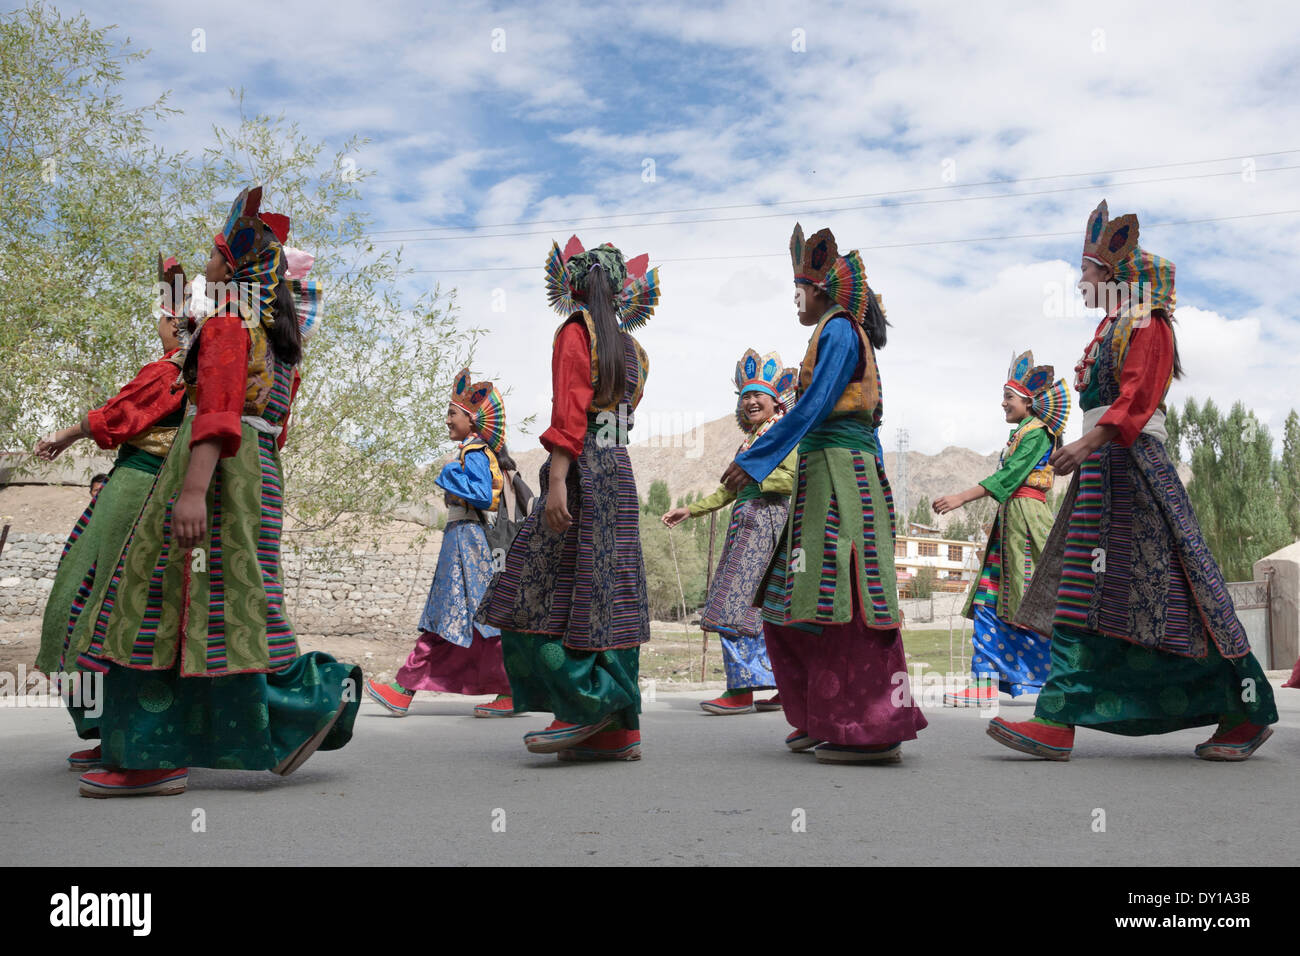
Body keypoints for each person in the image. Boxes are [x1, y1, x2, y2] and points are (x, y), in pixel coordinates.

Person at [75, 186, 360, 797]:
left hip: (217, 472)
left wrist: (192, 491)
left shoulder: (230, 322)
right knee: (231, 605)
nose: (205, 262)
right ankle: (289, 712)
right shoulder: (276, 335)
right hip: (258, 474)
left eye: (213, 254)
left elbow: (218, 414)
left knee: (158, 596)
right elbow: (272, 425)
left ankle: (153, 754)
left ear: (233, 266)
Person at [988, 199, 1278, 761]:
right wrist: (1089, 450)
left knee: (1179, 595)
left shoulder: (1148, 321)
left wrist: (1088, 442)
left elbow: (1138, 398)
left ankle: (1244, 710)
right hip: (1101, 472)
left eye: (1086, 270)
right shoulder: (1109, 328)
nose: (1079, 281)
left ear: (1113, 274)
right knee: (1084, 592)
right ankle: (1057, 719)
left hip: (1136, 469)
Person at [721, 224, 927, 763]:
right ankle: (823, 714)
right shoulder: (831, 331)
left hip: (842, 478)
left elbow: (812, 408)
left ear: (817, 290)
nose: (794, 300)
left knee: (847, 599)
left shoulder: (838, 329)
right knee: (795, 600)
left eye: (797, 290)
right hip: (823, 476)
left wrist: (757, 459)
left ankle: (872, 728)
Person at [477, 236, 659, 762]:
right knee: (607, 595)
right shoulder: (635, 352)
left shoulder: (575, 333)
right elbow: (620, 418)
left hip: (579, 472)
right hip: (619, 474)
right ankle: (618, 730)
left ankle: (584, 707)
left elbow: (570, 412)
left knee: (528, 587)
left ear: (573, 287)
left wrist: (557, 483)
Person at [34, 255, 189, 765]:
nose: (159, 326)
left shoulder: (170, 372)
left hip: (135, 490)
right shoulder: (186, 373)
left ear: (176, 326)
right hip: (139, 487)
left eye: (163, 319)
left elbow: (118, 416)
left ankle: (124, 736)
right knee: (110, 605)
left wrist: (65, 434)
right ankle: (112, 734)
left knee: (94, 601)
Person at [366, 369, 520, 717]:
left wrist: (450, 472)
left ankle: (404, 690)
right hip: (463, 540)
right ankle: (511, 690)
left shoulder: (475, 451)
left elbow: (482, 495)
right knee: (468, 619)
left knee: (450, 616)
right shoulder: (471, 451)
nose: (447, 420)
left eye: (452, 413)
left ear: (472, 419)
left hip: (468, 543)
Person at [662, 349, 797, 715]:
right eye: (745, 396)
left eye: (758, 395)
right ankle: (782, 687)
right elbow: (730, 488)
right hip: (747, 521)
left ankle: (741, 691)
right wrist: (691, 509)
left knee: (734, 601)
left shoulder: (784, 435)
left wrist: (757, 476)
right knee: (759, 606)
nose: (750, 401)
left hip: (766, 523)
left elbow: (795, 478)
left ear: (776, 402)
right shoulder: (753, 440)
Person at [932, 351, 1069, 706]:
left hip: (1028, 522)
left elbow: (1009, 477)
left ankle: (1064, 679)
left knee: (1036, 602)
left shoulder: (1038, 434)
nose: (1003, 403)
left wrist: (962, 497)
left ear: (1028, 402)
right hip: (1009, 524)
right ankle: (983, 683)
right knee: (988, 601)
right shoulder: (1022, 433)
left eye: (1009, 397)